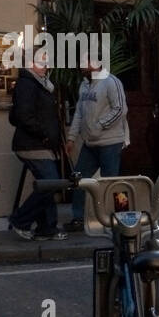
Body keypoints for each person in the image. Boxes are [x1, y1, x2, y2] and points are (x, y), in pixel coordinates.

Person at [64, 60, 129, 231]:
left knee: (111, 182)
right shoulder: (84, 85)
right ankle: (78, 218)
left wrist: (99, 125)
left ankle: (115, 217)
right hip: (90, 143)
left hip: (110, 141)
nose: (82, 66)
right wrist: (71, 138)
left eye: (86, 62)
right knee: (79, 178)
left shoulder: (111, 81)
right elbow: (79, 112)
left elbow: (120, 109)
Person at [7, 54, 66, 241]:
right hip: (33, 145)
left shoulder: (40, 84)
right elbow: (22, 116)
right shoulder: (28, 84)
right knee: (50, 183)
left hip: (41, 144)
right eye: (41, 62)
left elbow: (16, 116)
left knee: (46, 184)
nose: (46, 65)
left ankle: (46, 227)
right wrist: (45, 134)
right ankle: (20, 220)